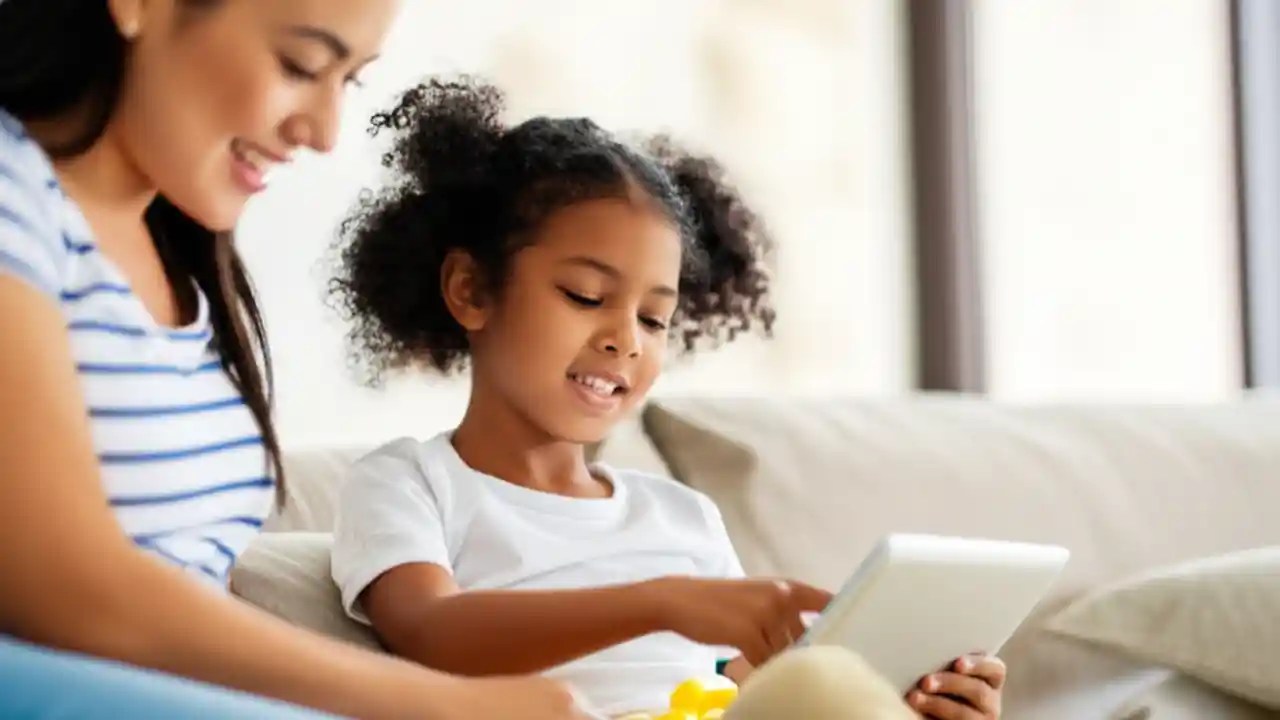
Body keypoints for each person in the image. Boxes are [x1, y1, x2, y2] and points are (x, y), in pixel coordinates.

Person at [327, 76, 1008, 719]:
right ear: (472, 290)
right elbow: (432, 634)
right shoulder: (408, 484)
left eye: (654, 319)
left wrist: (907, 702)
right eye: (586, 297)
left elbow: (755, 695)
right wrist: (662, 604)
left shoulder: (682, 518)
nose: (626, 340)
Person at [0, 2, 591, 718]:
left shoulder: (176, 256)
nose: (323, 131)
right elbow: (67, 589)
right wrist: (443, 706)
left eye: (349, 81)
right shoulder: (14, 194)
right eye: (300, 65)